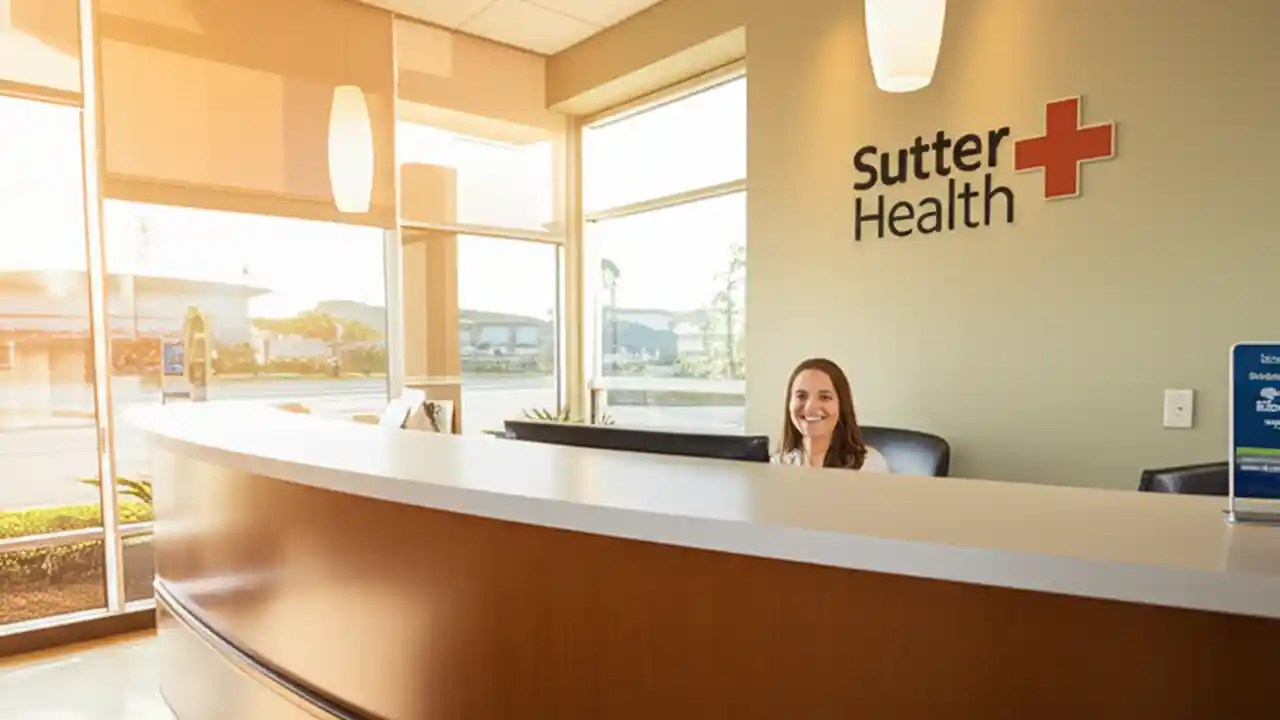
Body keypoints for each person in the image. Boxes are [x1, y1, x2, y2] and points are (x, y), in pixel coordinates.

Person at [772, 357, 890, 472]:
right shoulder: (777, 465)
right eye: (801, 396)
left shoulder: (870, 465)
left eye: (824, 397)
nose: (810, 407)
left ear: (842, 405)